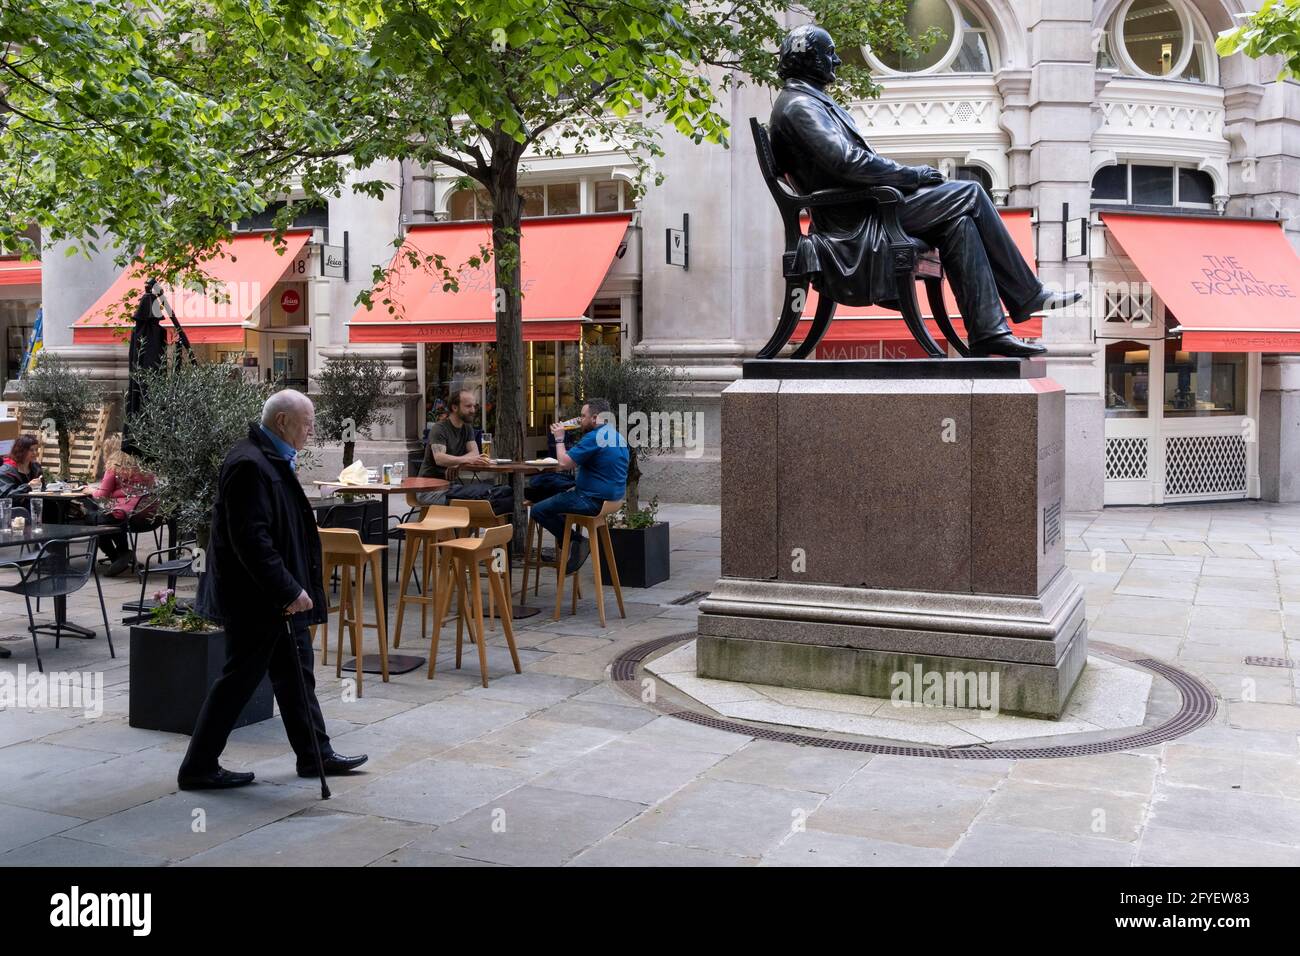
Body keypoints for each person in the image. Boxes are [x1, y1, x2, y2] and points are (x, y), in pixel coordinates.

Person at [768, 25, 1082, 358]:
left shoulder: (811, 102)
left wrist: (906, 177)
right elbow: (850, 163)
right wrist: (913, 175)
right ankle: (1027, 295)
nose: (836, 61)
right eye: (830, 53)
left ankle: (989, 332)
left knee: (959, 224)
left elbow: (853, 163)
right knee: (971, 193)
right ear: (810, 59)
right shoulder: (799, 106)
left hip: (866, 209)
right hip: (855, 222)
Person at [178, 389, 367, 790]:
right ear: (283, 422)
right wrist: (287, 589)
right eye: (307, 422)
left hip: (275, 600)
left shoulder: (269, 458)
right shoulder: (250, 463)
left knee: (297, 675)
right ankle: (197, 767)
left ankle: (316, 755)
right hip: (258, 601)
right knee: (239, 680)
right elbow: (251, 540)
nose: (312, 429)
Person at [530, 398, 629, 573]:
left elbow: (564, 463)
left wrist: (559, 439)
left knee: (538, 509)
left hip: (591, 500)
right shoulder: (615, 434)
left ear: (595, 418)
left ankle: (576, 542)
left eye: (583, 416)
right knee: (555, 492)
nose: (580, 420)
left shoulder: (594, 437)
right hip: (612, 499)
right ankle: (570, 545)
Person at [85, 436, 157, 576]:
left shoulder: (114, 468)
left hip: (124, 515)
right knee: (109, 520)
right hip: (145, 515)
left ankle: (117, 557)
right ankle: (123, 554)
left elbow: (101, 495)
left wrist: (89, 490)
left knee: (91, 521)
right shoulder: (144, 468)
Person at [415, 387, 492, 506]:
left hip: (450, 488)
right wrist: (464, 460)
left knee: (489, 498)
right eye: (468, 406)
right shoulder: (439, 428)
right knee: (479, 501)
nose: (473, 410)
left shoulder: (467, 428)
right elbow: (440, 458)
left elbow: (475, 453)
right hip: (429, 490)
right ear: (454, 407)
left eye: (474, 406)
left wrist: (457, 463)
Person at [0, 434, 43, 499]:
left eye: (36, 449)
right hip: (14, 508)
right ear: (21, 451)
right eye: (31, 450)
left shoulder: (36, 468)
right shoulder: (6, 471)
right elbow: (6, 495)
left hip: (35, 504)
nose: (35, 453)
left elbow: (42, 489)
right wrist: (28, 486)